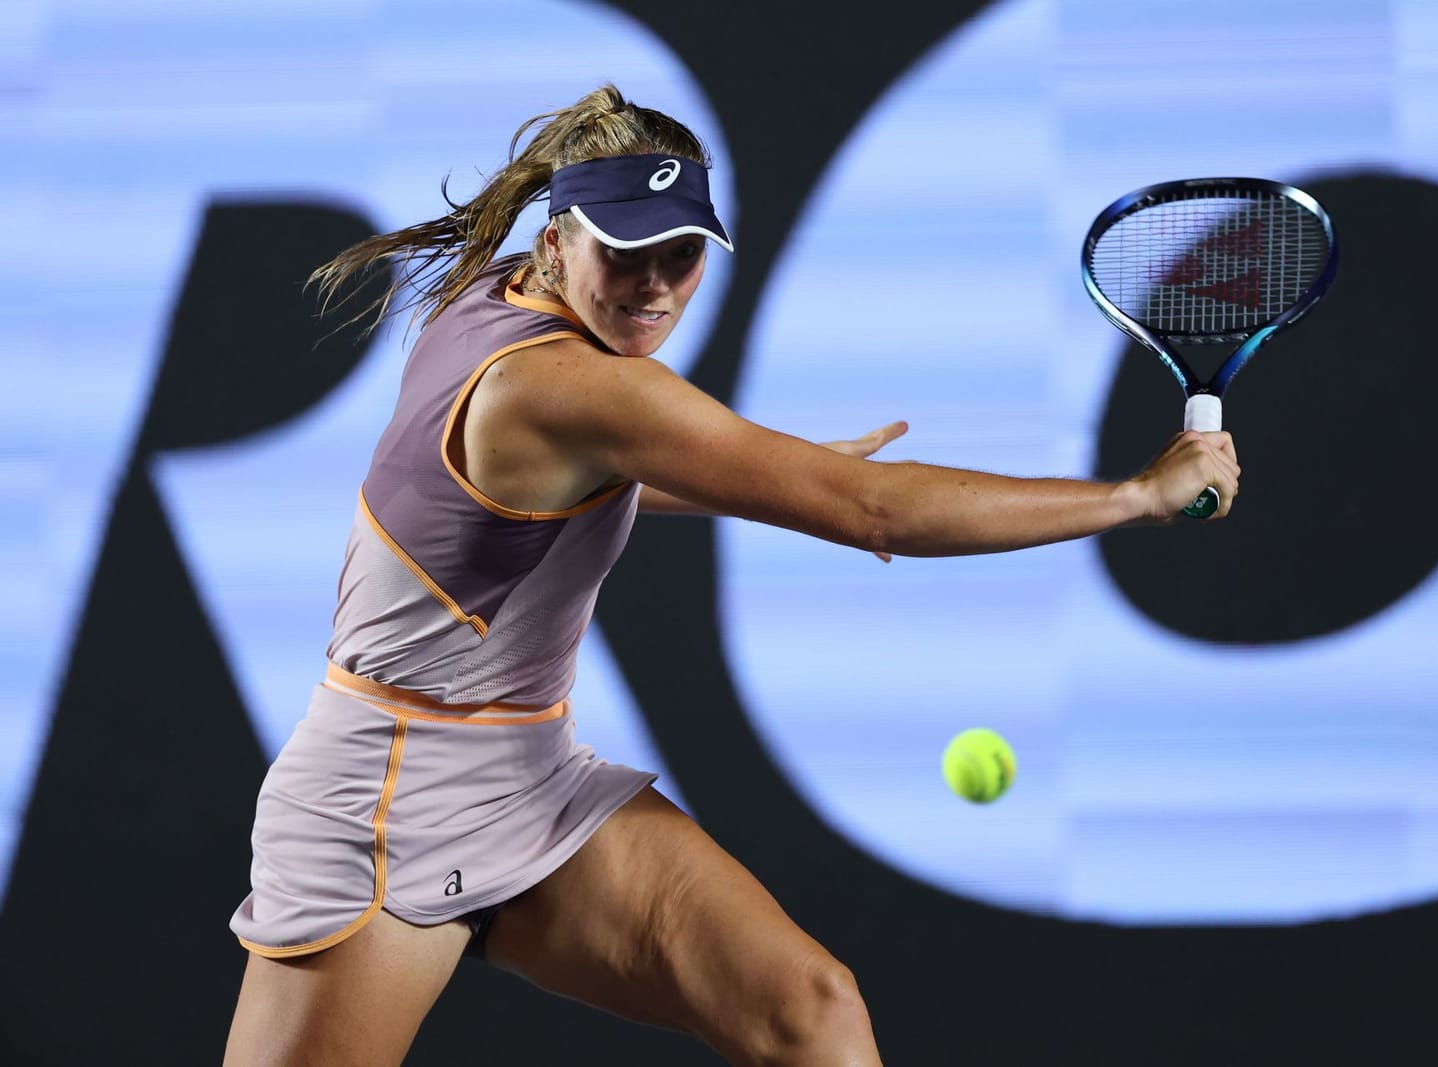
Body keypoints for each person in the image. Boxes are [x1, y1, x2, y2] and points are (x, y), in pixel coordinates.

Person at [222, 83, 1240, 1067]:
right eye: (626, 249)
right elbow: (872, 511)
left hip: (527, 774)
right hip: (382, 802)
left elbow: (548, 489)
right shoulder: (575, 386)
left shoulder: (492, 297)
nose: (656, 281)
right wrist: (1132, 496)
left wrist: (743, 467)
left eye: (681, 252)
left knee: (808, 1009)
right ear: (557, 238)